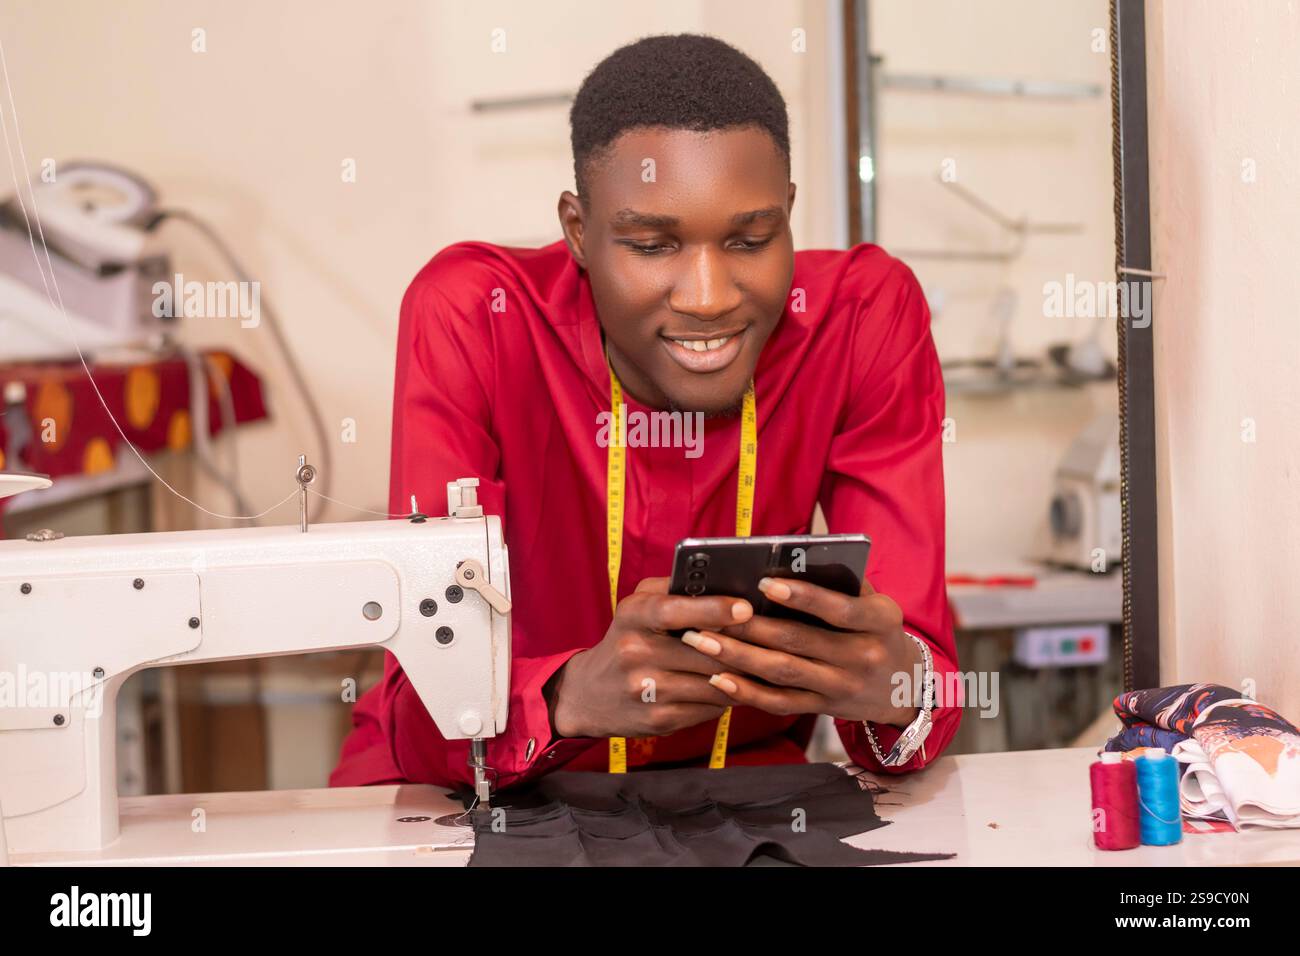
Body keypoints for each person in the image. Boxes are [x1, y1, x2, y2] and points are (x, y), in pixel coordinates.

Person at [330, 33, 960, 790]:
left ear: (790, 214)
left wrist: (897, 685)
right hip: (469, 796)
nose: (707, 296)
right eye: (651, 244)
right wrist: (565, 697)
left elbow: (925, 683)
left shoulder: (863, 316)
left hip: (740, 801)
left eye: (750, 239)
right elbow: (422, 708)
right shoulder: (477, 317)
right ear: (578, 232)